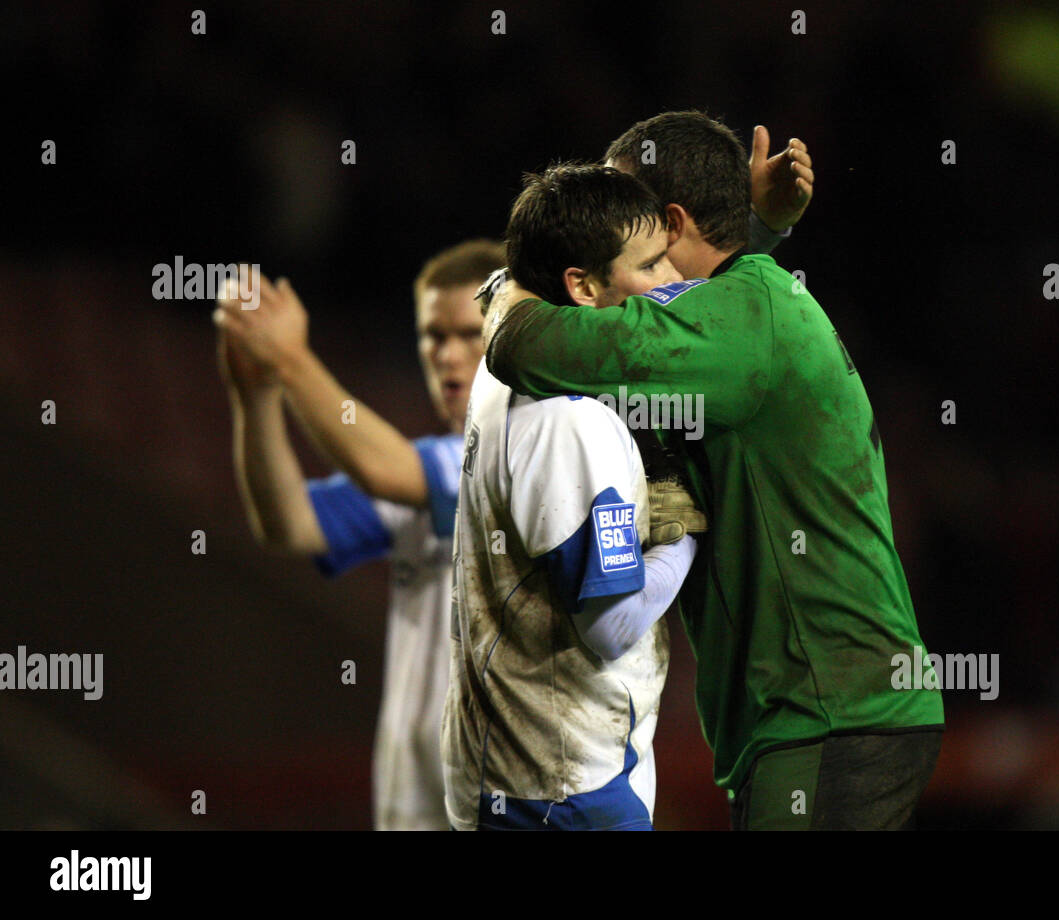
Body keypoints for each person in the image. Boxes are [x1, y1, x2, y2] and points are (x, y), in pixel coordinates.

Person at [484, 112, 944, 830]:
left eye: (629, 216)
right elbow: (707, 294)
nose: (610, 229)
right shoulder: (754, 302)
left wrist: (507, 301)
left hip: (823, 716)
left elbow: (532, 349)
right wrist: (755, 228)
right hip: (836, 712)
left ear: (670, 222)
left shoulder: (738, 321)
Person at [442, 164, 707, 831]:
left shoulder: (509, 361)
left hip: (514, 766)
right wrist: (687, 538)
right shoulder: (571, 422)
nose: (672, 282)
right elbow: (611, 626)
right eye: (650, 266)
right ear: (581, 286)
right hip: (566, 788)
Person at [213, 239, 504, 830]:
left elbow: (384, 469)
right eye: (433, 336)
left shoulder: (513, 460)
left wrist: (290, 360)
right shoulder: (427, 468)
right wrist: (257, 390)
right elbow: (289, 523)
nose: (448, 356)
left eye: (469, 334)